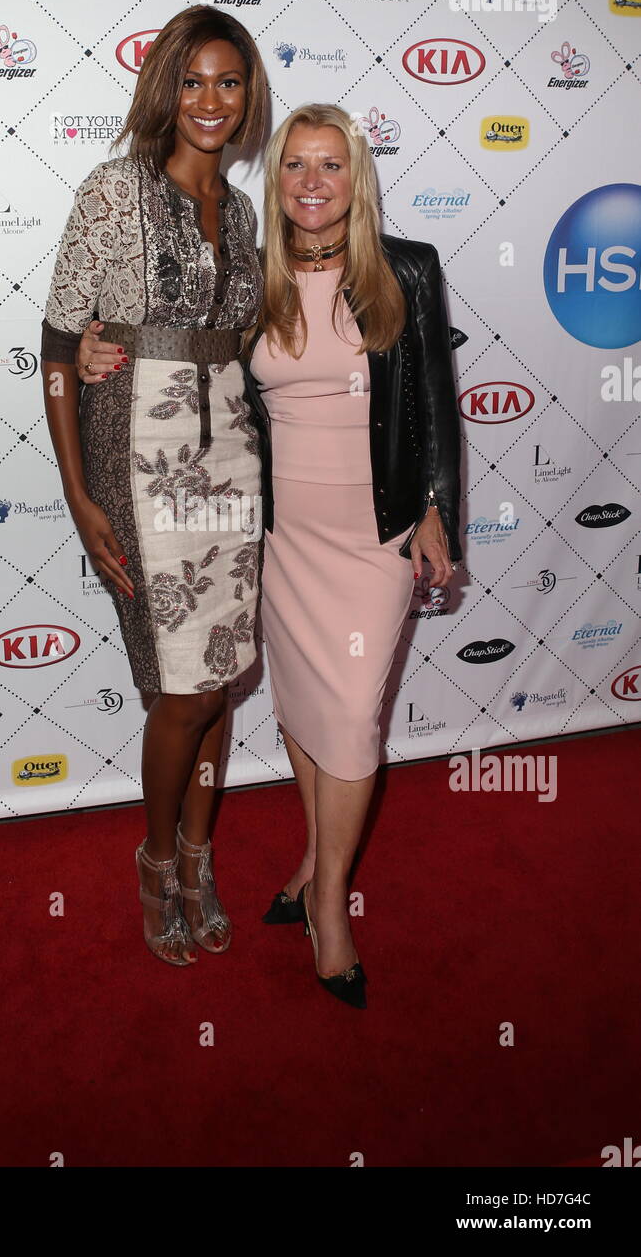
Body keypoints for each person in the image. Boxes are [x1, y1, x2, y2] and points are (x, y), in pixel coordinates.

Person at [41, 6, 268, 967]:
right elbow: (58, 347)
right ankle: (155, 861)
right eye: (194, 81)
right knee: (182, 690)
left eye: (229, 82)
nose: (212, 101)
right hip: (136, 461)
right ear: (165, 89)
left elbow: (247, 346)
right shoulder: (112, 191)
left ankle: (200, 856)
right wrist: (77, 493)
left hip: (233, 464)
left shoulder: (247, 211)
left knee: (218, 686)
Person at [246, 104, 462, 1007]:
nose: (311, 181)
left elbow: (437, 403)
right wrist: (90, 347)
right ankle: (311, 860)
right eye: (295, 164)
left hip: (374, 534)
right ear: (278, 179)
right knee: (303, 703)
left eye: (330, 165)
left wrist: (437, 510)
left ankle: (330, 900)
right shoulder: (246, 279)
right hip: (280, 536)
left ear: (356, 178)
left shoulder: (406, 270)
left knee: (350, 713)